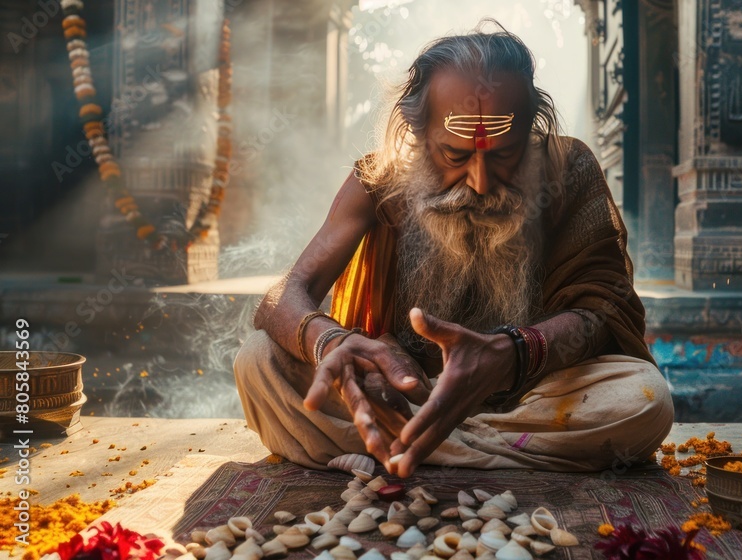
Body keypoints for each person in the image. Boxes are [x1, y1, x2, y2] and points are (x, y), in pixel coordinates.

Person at [234, 22, 673, 479]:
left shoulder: (569, 168)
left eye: (506, 154)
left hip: (530, 396)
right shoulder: (379, 181)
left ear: (531, 127)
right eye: (455, 155)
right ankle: (479, 450)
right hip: (405, 392)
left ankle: (405, 447)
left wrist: (513, 353)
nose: (481, 181)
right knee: (259, 361)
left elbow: (605, 307)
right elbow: (285, 293)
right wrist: (334, 343)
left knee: (642, 400)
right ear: (418, 133)